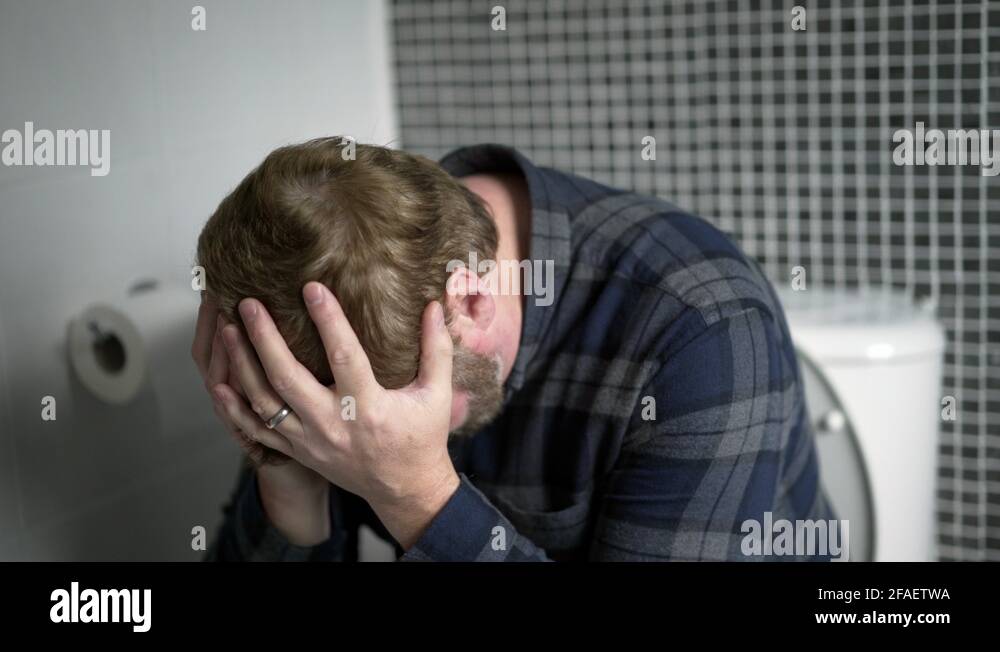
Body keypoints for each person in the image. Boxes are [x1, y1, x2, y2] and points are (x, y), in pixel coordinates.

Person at [193, 137, 834, 561]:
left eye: (392, 430)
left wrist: (418, 493)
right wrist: (288, 478)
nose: (350, 444)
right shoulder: (342, 287)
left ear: (472, 303)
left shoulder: (701, 327)